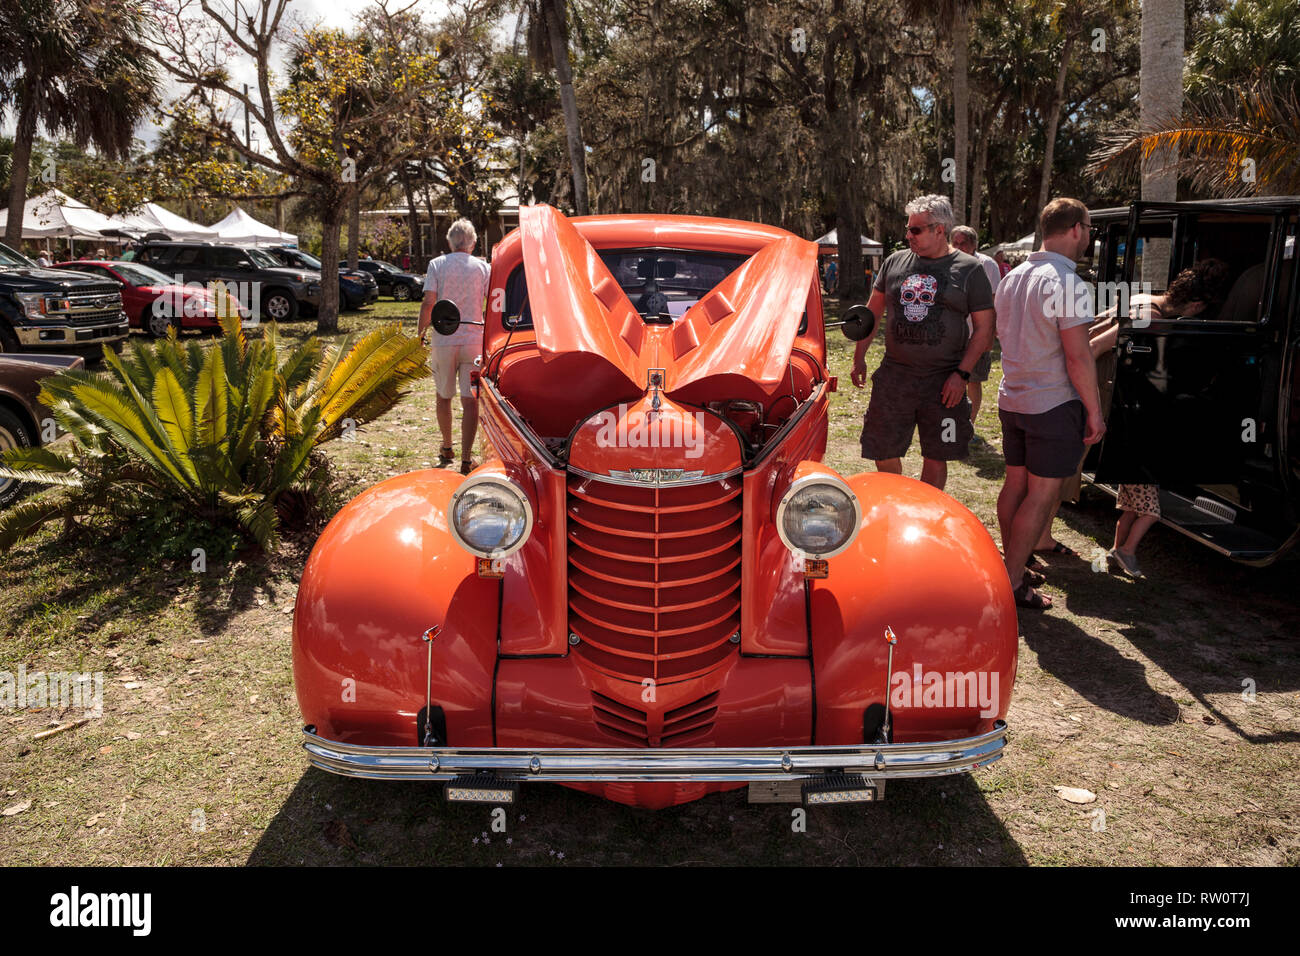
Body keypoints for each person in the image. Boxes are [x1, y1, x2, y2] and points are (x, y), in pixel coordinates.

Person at [994, 197, 1105, 611]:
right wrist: (1095, 411)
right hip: (1051, 403)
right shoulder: (1068, 282)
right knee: (1041, 495)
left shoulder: (1013, 276)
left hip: (1014, 397)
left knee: (1016, 486)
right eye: (1089, 229)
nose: (1089, 237)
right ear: (1076, 228)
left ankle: (1014, 567)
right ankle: (1012, 581)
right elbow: (1078, 356)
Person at [1087, 259, 1230, 578]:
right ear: (1194, 304)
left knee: (1127, 505)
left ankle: (1118, 552)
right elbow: (1097, 346)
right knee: (1150, 510)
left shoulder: (1141, 300)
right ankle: (1126, 553)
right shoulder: (1148, 316)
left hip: (1112, 405)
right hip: (1110, 403)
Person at [850, 195, 995, 490]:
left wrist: (962, 375)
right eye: (908, 229)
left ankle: (925, 513)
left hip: (943, 382)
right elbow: (871, 313)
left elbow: (984, 329)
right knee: (883, 450)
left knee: (936, 454)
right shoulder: (895, 262)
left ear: (939, 230)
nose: (908, 235)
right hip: (895, 377)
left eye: (915, 230)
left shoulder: (969, 269)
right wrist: (859, 356)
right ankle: (897, 502)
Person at [416, 219, 491, 475]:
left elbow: (429, 303)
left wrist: (420, 332)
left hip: (444, 339)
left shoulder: (437, 265)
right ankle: (467, 459)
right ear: (472, 243)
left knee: (443, 395)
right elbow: (491, 304)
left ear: (449, 241)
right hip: (474, 340)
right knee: (471, 402)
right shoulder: (483, 268)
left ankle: (447, 446)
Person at [950, 225, 1001, 436]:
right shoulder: (946, 263)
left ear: (974, 245)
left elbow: (995, 300)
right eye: (956, 243)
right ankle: (951, 425)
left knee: (974, 380)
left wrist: (990, 333)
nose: (960, 247)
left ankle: (969, 424)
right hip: (951, 336)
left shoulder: (987, 265)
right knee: (950, 380)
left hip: (977, 335)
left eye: (964, 243)